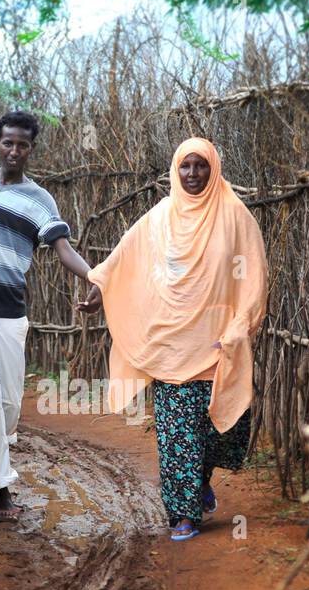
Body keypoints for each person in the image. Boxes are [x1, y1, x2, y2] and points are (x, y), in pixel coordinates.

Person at [77, 137, 267, 541]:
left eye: (201, 166)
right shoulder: (162, 216)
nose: (193, 174)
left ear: (213, 168)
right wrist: (98, 286)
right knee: (176, 431)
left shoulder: (235, 217)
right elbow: (124, 256)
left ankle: (200, 482)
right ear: (175, 171)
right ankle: (184, 513)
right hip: (171, 341)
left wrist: (239, 327)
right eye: (186, 166)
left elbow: (253, 275)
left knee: (222, 430)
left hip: (218, 344)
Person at [0, 110, 92, 522]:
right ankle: (2, 490)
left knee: (8, 404)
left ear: (30, 149)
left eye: (22, 145)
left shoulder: (39, 200)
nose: (14, 150)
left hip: (9, 313)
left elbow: (63, 250)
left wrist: (96, 277)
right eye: (8, 142)